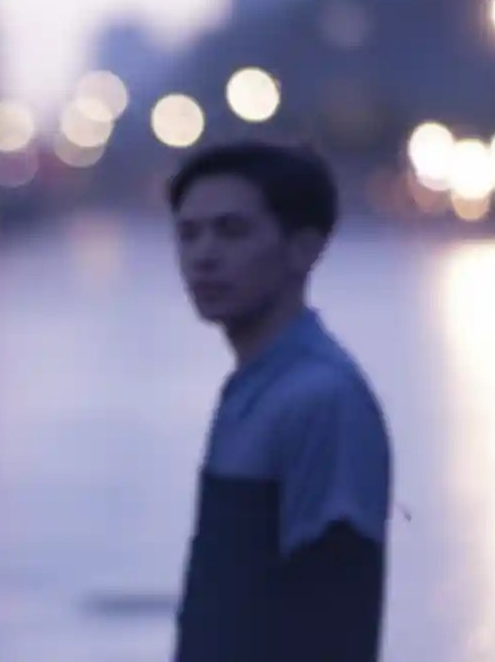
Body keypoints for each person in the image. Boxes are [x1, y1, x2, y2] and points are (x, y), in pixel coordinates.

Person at [169, 142, 392, 661]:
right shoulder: (256, 387)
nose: (203, 255)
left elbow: (334, 611)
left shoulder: (320, 397)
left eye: (232, 231)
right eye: (188, 233)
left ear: (304, 248)